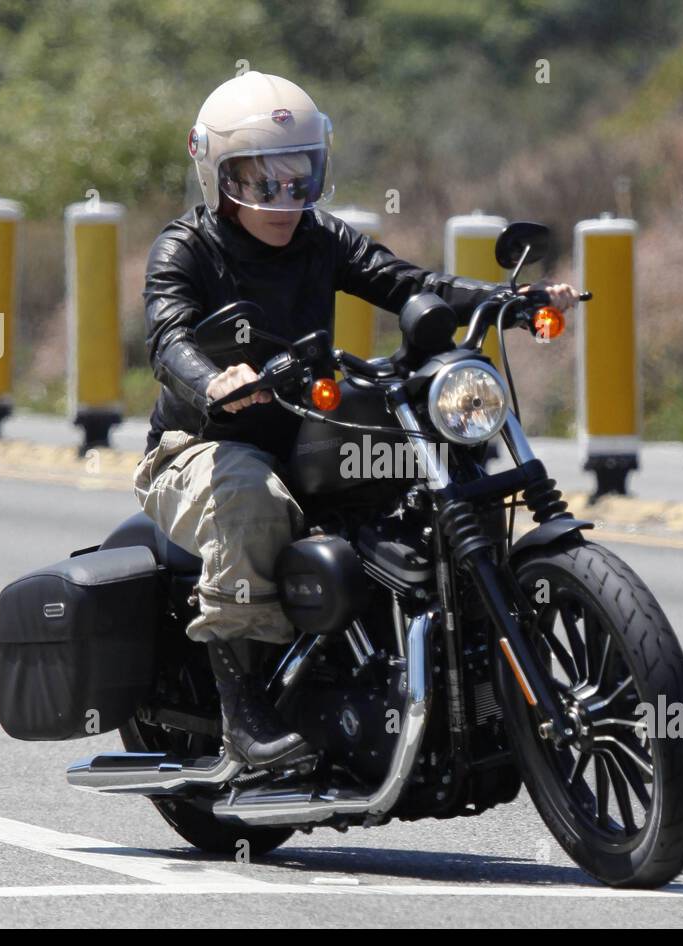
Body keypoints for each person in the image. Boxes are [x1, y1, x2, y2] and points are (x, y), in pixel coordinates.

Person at [134, 71, 579, 769]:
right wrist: (214, 381)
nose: (284, 200)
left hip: (309, 435)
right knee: (251, 499)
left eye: (299, 177)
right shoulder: (187, 249)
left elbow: (409, 284)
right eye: (259, 182)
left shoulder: (323, 240)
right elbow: (167, 338)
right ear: (217, 177)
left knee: (427, 479)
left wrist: (507, 301)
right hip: (200, 444)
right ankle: (244, 717)